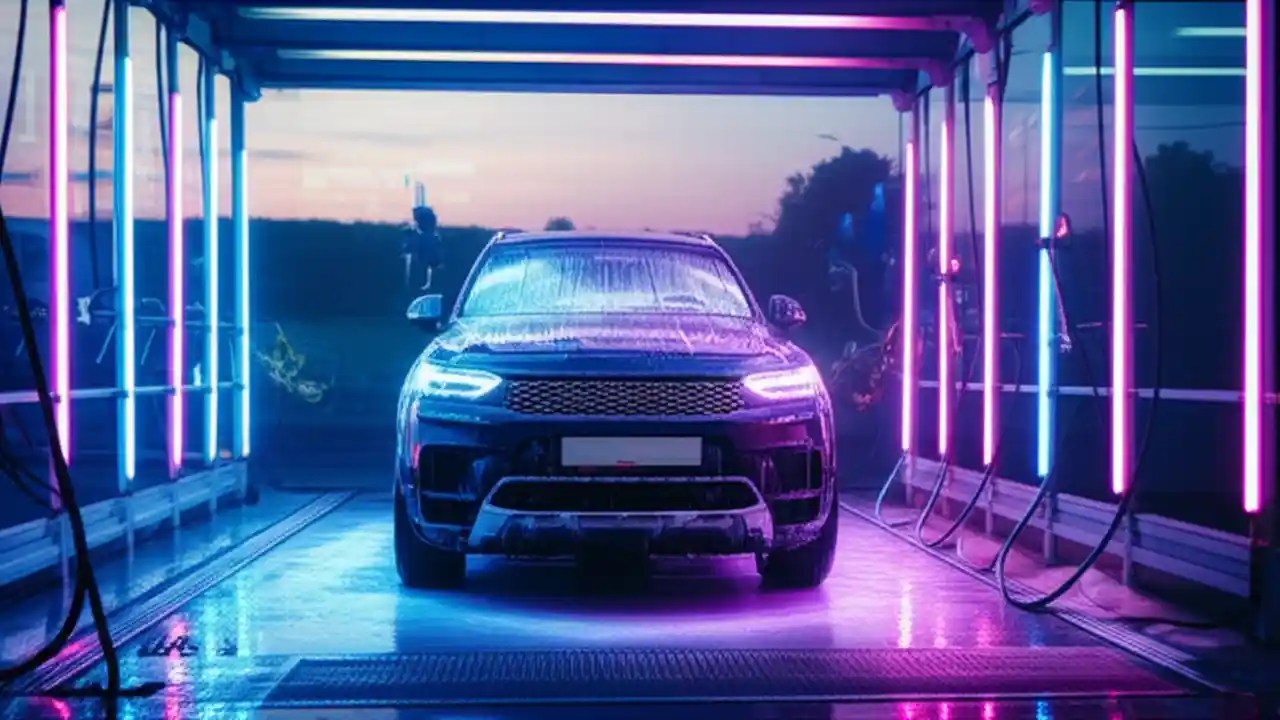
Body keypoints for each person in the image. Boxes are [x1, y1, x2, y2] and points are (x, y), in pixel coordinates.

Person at [403, 203, 442, 290]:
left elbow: (435, 262)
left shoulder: (429, 240)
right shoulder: (415, 237)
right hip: (415, 280)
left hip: (421, 282)